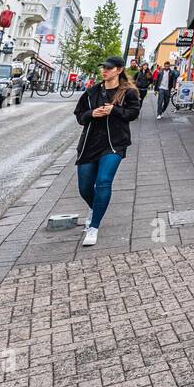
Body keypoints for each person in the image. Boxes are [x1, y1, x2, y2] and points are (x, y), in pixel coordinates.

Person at [72, 56, 142, 246]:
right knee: (85, 187)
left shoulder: (128, 92)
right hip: (89, 144)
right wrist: (91, 114)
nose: (105, 71)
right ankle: (95, 208)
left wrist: (114, 110)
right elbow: (79, 116)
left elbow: (133, 114)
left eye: (109, 68)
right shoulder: (92, 92)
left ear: (119, 70)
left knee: (103, 182)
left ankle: (93, 227)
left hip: (114, 144)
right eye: (103, 68)